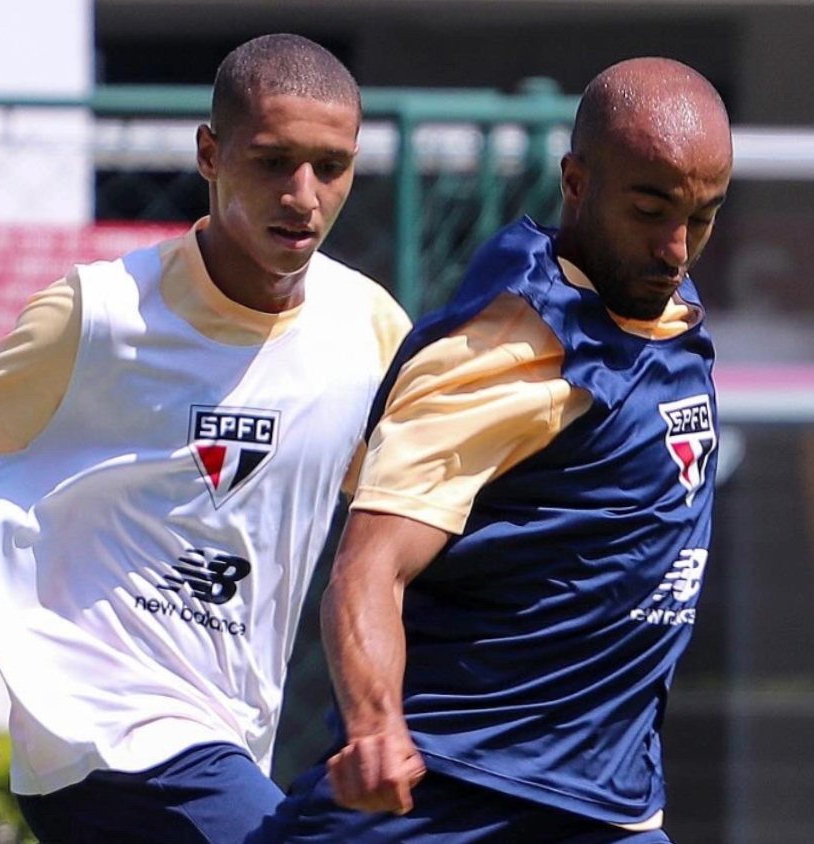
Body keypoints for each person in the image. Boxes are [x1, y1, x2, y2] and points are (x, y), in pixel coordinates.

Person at [0, 33, 410, 844]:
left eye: (329, 166)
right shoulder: (97, 315)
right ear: (209, 154)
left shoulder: (367, 329)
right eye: (271, 161)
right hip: (96, 729)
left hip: (231, 731)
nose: (303, 194)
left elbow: (398, 534)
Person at [255, 55, 733, 843]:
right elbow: (370, 565)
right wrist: (375, 726)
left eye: (704, 216)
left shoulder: (669, 312)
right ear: (575, 181)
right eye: (650, 210)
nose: (676, 248)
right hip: (453, 795)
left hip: (612, 802)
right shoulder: (503, 350)